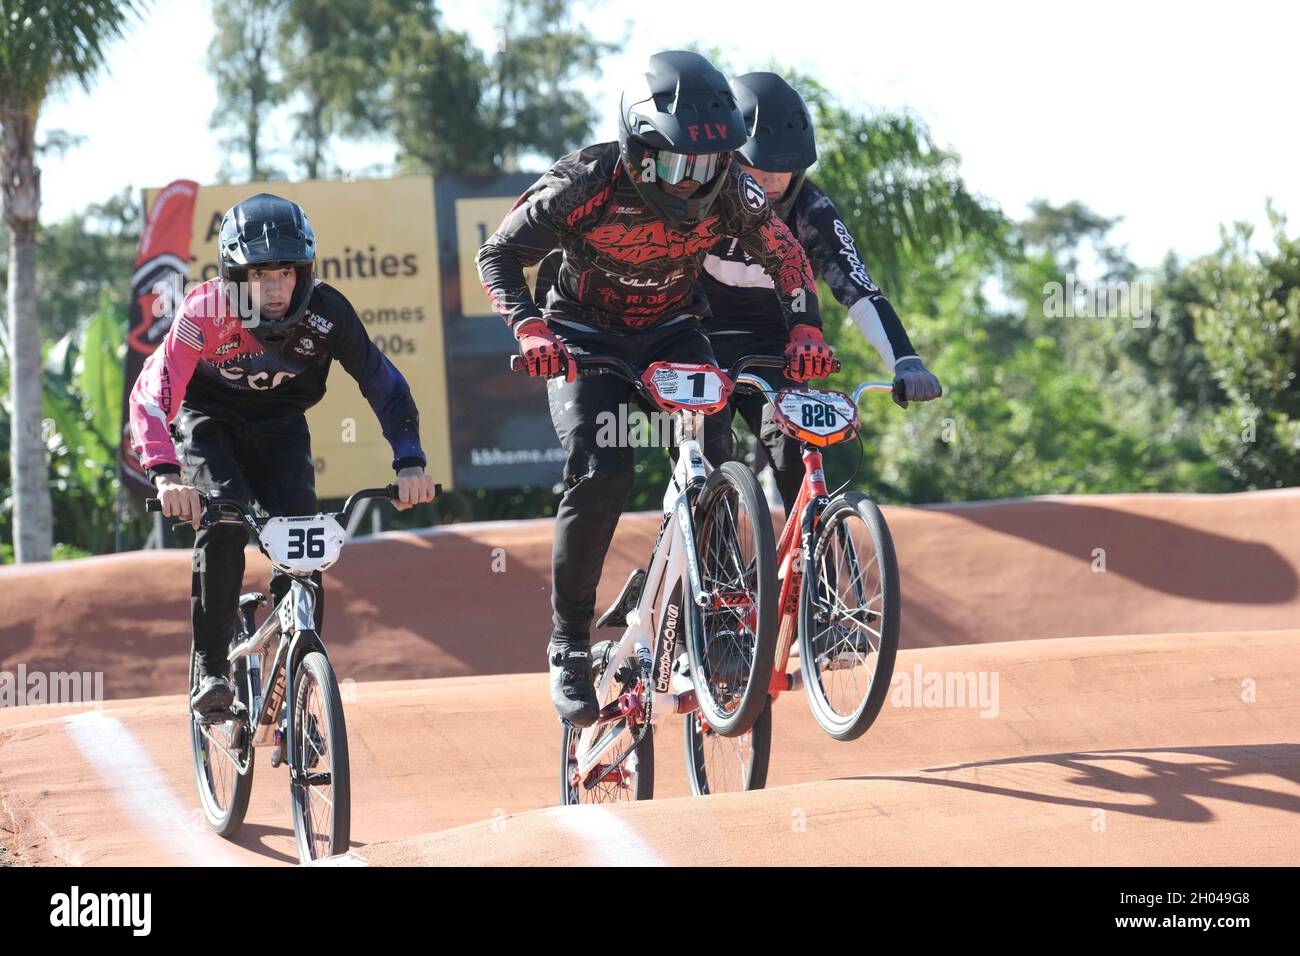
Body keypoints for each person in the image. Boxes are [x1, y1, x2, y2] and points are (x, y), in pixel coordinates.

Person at [476, 50, 826, 728]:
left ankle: (716, 623)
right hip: (584, 336)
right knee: (605, 467)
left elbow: (785, 253)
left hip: (672, 332)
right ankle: (570, 644)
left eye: (713, 162)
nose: (698, 181)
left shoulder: (727, 185)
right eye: (681, 163)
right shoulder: (586, 181)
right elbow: (499, 253)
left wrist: (806, 327)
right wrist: (527, 328)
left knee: (718, 459)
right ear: (638, 150)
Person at [129, 193, 439, 715]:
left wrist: (409, 462)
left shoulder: (328, 312)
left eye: (286, 273)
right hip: (209, 421)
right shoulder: (203, 310)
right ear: (233, 275)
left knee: (305, 544)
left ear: (305, 272)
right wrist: (165, 474)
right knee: (223, 520)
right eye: (259, 275)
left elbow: (385, 387)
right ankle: (210, 667)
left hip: (280, 427)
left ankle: (296, 678)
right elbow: (153, 394)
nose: (274, 289)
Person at [700, 73, 943, 512]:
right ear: (731, 158)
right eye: (760, 164)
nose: (773, 179)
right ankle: (694, 558)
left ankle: (812, 566)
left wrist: (906, 360)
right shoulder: (697, 201)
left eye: (785, 165)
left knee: (797, 459)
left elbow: (859, 290)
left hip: (777, 349)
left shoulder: (813, 210)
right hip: (696, 342)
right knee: (706, 457)